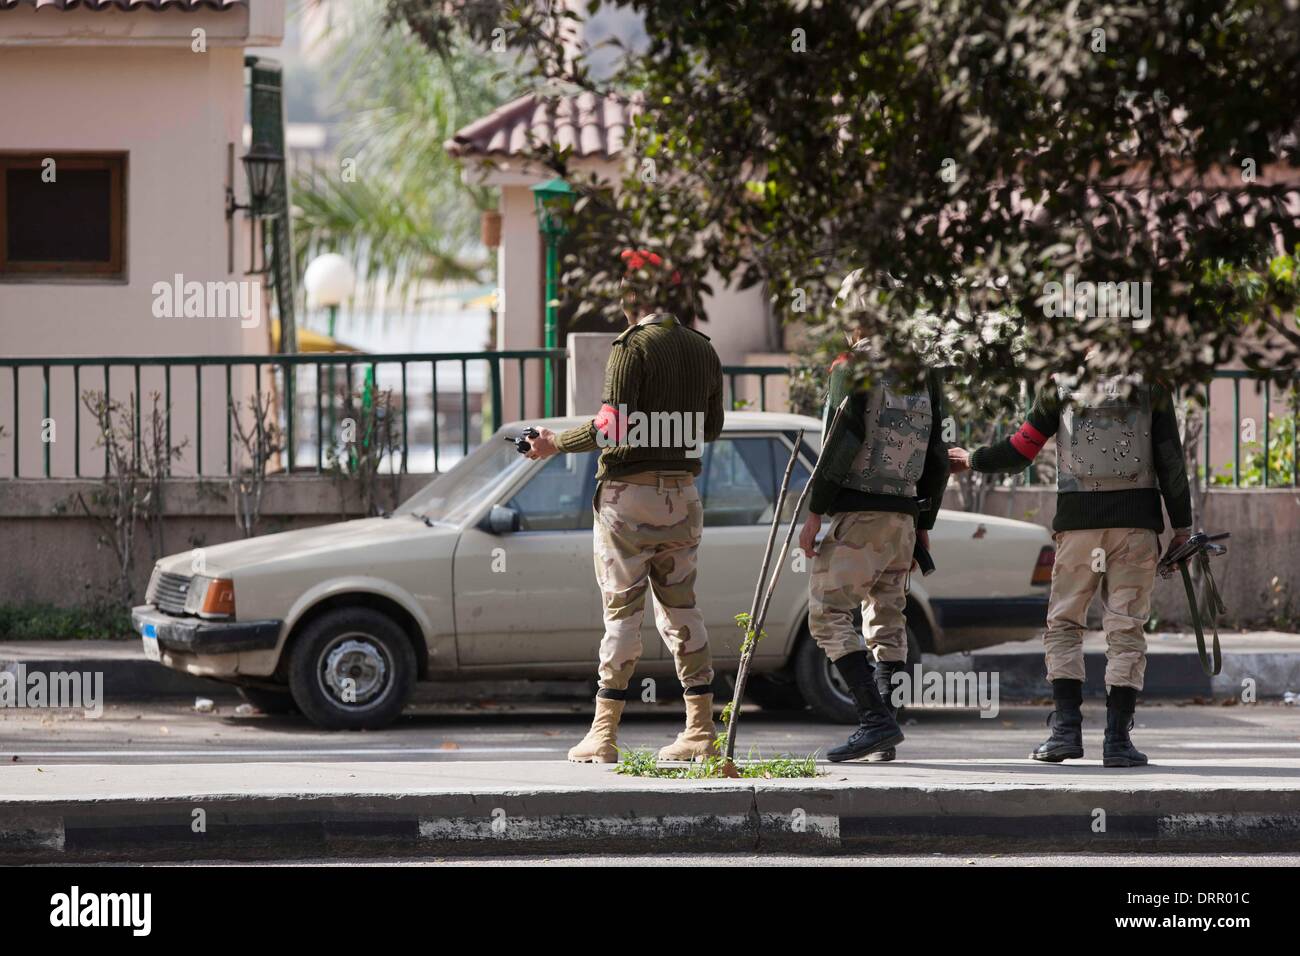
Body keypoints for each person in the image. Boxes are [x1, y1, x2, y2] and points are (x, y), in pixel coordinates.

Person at [525, 249, 725, 763]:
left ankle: (603, 733)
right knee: (682, 609)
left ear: (629, 300)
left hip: (628, 499)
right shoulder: (703, 349)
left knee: (622, 615)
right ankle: (700, 730)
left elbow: (611, 425)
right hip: (683, 494)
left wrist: (554, 442)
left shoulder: (631, 348)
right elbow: (712, 428)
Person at [948, 370, 1192, 767]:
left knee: (1064, 625)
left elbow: (1020, 450)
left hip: (1078, 529)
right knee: (1126, 628)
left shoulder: (1060, 384)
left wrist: (971, 459)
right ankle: (1117, 742)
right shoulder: (1153, 385)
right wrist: (1182, 528)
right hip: (1135, 529)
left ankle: (1065, 733)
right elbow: (1171, 462)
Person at [798, 338, 950, 763]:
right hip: (903, 515)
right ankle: (886, 728)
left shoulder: (853, 365)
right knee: (887, 619)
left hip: (861, 514)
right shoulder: (925, 368)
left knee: (827, 614)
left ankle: (875, 722)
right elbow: (937, 451)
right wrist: (924, 522)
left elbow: (839, 439)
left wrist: (815, 512)